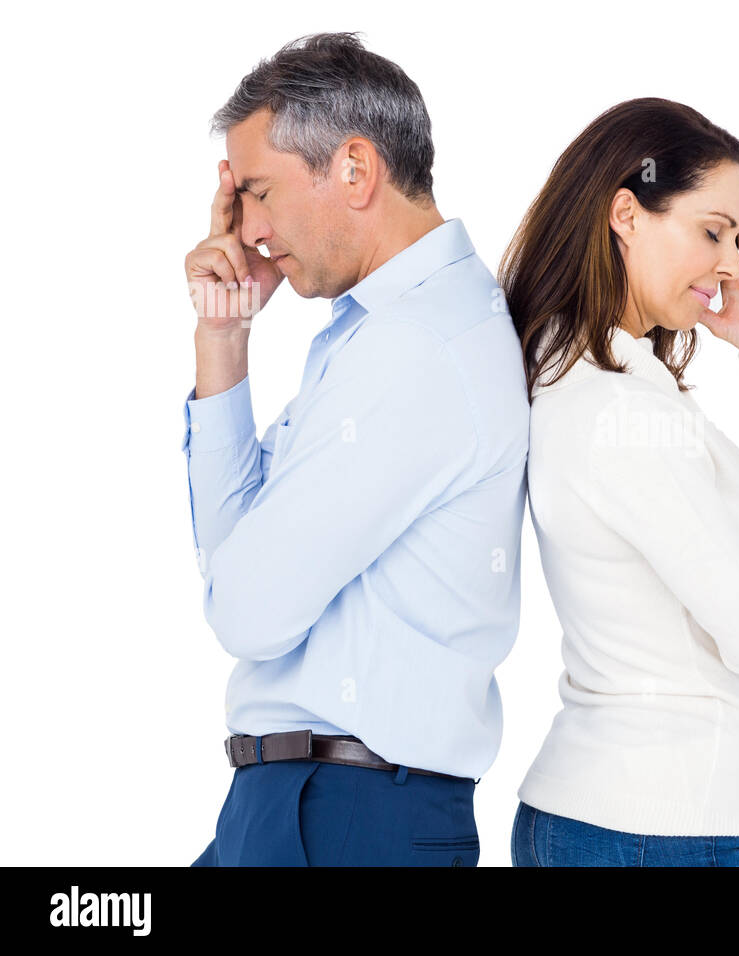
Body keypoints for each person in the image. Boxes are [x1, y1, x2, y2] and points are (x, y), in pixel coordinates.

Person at [183, 32, 529, 866]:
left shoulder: (416, 348)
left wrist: (239, 588)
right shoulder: (378, 333)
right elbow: (236, 567)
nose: (250, 230)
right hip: (304, 804)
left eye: (259, 192)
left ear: (356, 170)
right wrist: (223, 338)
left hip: (341, 814)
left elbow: (246, 611)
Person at [500, 97, 739, 866]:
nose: (732, 265)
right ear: (626, 213)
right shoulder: (609, 409)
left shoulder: (632, 384)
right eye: (713, 232)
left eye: (738, 240)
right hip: (645, 831)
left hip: (640, 827)